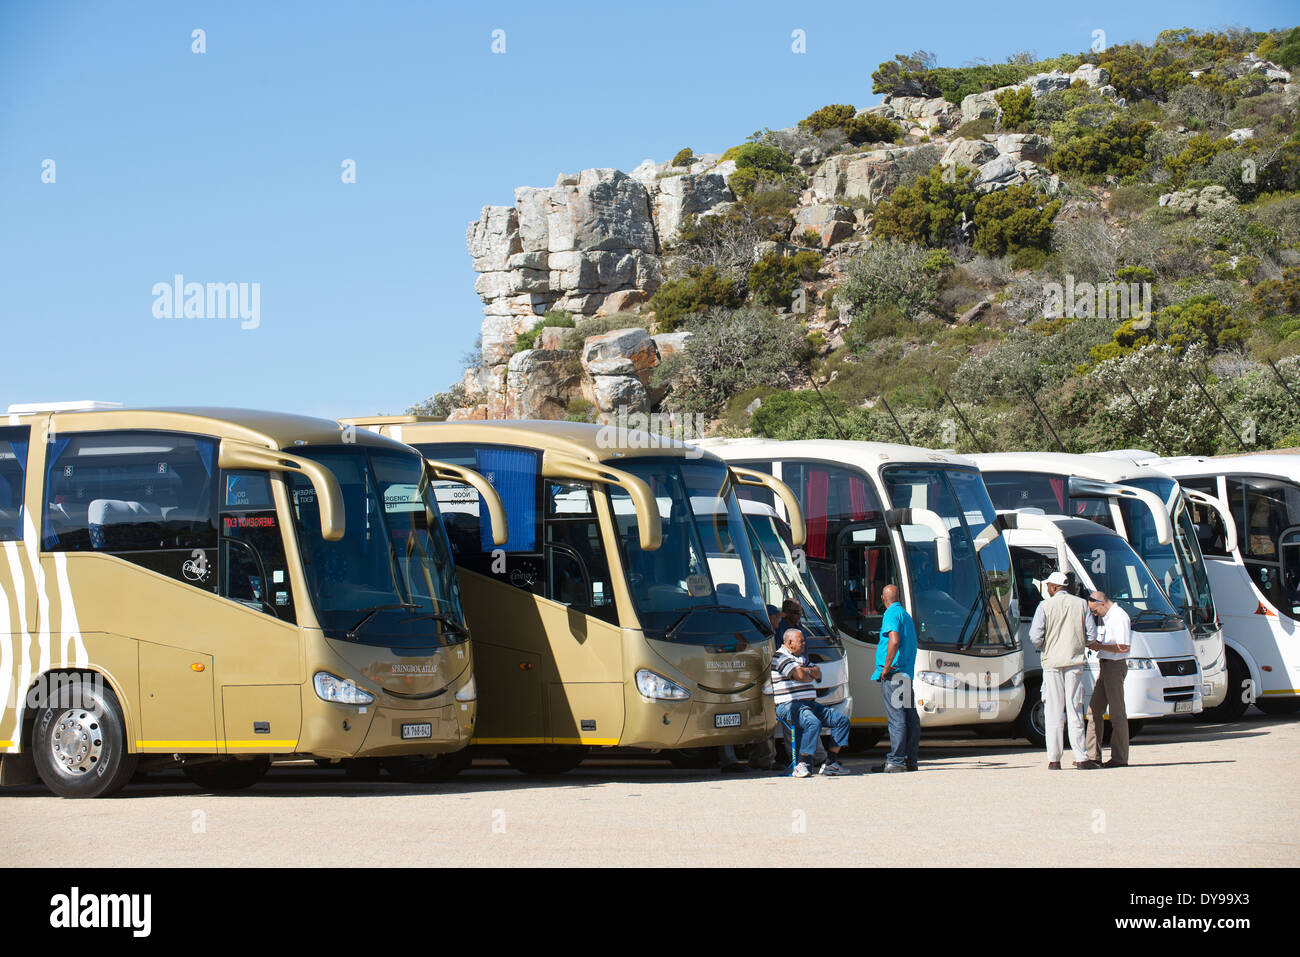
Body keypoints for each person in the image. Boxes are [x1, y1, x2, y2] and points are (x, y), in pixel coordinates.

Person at [1029, 570, 1098, 769]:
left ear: (1052, 587)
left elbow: (1035, 636)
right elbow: (1091, 636)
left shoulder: (1044, 606)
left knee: (1053, 710)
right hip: (1074, 661)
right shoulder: (1082, 604)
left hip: (1052, 663)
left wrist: (1045, 646)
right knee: (1075, 708)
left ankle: (1054, 759)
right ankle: (1081, 757)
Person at [772, 628, 850, 777]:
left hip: (809, 704)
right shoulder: (780, 657)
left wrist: (806, 672)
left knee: (842, 721)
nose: (804, 644)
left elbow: (818, 672)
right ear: (789, 643)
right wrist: (808, 672)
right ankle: (801, 764)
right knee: (812, 723)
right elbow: (800, 675)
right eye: (801, 641)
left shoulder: (801, 657)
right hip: (789, 705)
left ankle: (830, 763)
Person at [870, 584, 919, 773]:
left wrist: (886, 668)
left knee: (896, 719)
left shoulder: (890, 614)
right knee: (909, 717)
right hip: (905, 674)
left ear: (883, 598)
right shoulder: (905, 615)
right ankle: (910, 760)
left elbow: (894, 640)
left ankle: (896, 761)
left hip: (894, 674)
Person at [1084, 590, 1132, 768]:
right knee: (1094, 710)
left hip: (1114, 666)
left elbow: (1123, 646)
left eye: (1095, 611)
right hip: (1106, 665)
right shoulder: (1109, 617)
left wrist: (1100, 646)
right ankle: (1093, 756)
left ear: (1101, 603)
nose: (1095, 615)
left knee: (1117, 713)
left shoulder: (1119, 616)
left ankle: (1120, 758)